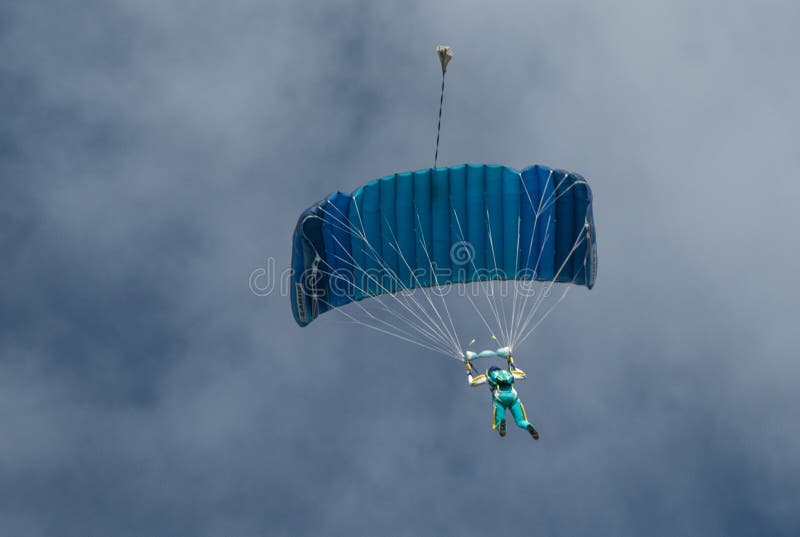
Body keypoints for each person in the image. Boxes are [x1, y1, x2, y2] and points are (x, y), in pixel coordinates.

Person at [466, 354, 539, 440]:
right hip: (513, 397)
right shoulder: (508, 373)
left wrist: (469, 371)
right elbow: (523, 375)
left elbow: (472, 383)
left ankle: (501, 425)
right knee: (521, 421)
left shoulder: (488, 376)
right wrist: (512, 363)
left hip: (500, 398)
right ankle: (528, 426)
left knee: (498, 422)